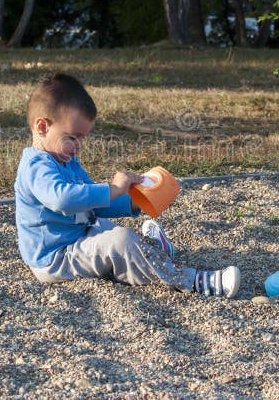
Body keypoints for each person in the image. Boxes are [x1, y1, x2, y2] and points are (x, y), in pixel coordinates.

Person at [14, 73, 240, 297]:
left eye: (83, 138)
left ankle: (155, 250)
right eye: (73, 137)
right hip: (57, 258)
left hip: (81, 234)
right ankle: (196, 282)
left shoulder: (66, 160)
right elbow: (62, 199)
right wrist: (112, 189)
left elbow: (93, 204)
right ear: (42, 127)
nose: (79, 145)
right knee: (122, 242)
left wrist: (134, 201)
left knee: (118, 233)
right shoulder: (36, 167)